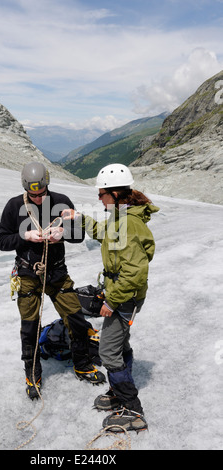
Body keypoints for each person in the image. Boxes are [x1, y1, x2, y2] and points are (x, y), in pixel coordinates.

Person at [62, 163, 159, 433]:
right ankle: (118, 391)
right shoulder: (121, 217)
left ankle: (133, 410)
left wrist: (111, 301)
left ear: (115, 194)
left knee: (107, 351)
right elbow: (102, 234)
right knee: (119, 345)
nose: (99, 198)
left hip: (123, 296)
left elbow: (134, 273)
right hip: (122, 293)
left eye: (101, 193)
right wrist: (79, 217)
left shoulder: (128, 224)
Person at [0, 161, 105, 400]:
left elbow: (78, 236)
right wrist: (24, 236)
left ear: (47, 185)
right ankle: (32, 374)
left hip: (56, 273)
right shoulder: (15, 206)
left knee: (76, 318)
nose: (36, 198)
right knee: (30, 327)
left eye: (41, 193)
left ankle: (82, 365)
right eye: (32, 194)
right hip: (28, 274)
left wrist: (62, 234)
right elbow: (2, 241)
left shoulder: (61, 201)